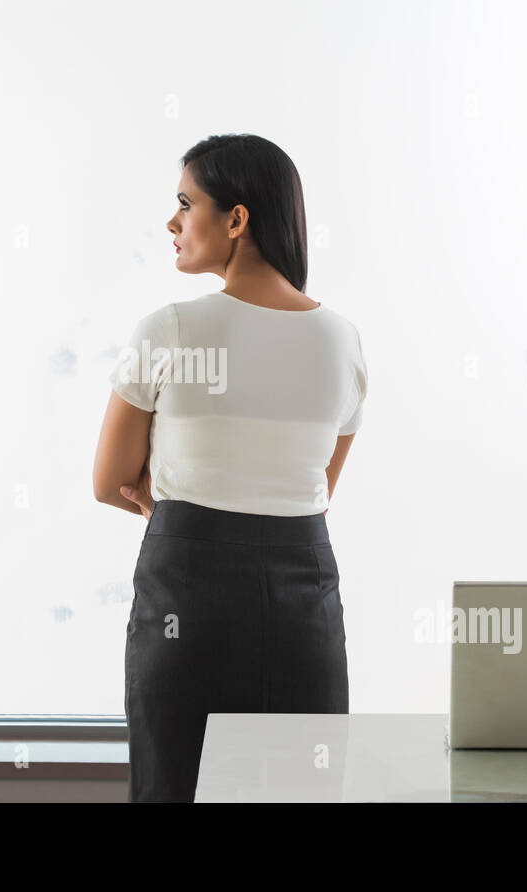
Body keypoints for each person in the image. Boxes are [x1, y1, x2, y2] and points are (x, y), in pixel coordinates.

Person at [92, 133, 368, 803]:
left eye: (187, 205)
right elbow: (314, 492)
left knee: (174, 790)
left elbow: (109, 481)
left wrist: (180, 499)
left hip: (188, 603)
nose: (173, 223)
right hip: (304, 610)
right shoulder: (342, 339)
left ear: (237, 219)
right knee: (299, 791)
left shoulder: (168, 329)